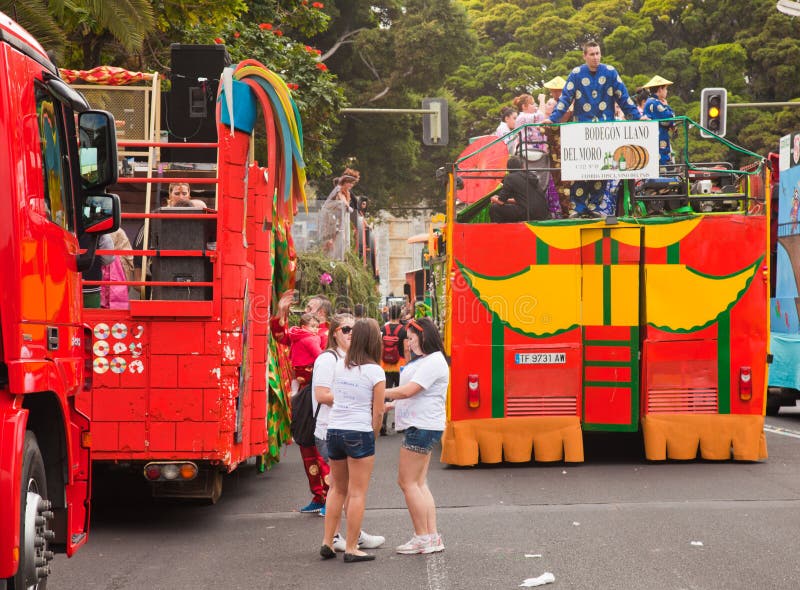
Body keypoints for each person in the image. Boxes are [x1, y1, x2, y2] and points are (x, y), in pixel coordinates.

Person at [545, 41, 642, 217]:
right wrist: (552, 119)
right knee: (581, 169)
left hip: (605, 130)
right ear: (584, 56)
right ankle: (579, 208)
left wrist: (638, 117)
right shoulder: (576, 74)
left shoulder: (611, 72)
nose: (596, 57)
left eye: (598, 53)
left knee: (603, 168)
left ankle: (595, 207)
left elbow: (623, 97)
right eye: (592, 54)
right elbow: (565, 99)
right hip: (582, 131)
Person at [312, 313, 385, 548]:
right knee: (356, 493)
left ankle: (328, 542)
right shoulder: (375, 371)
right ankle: (353, 547)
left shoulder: (340, 365)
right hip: (358, 432)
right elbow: (379, 412)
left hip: (334, 430)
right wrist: (373, 434)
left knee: (336, 489)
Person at [385, 317, 449, 555]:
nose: (408, 343)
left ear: (423, 337)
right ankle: (431, 536)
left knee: (407, 482)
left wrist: (379, 392)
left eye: (411, 338)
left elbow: (410, 390)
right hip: (423, 424)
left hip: (421, 426)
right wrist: (392, 404)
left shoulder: (432, 361)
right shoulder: (430, 360)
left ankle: (422, 537)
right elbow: (415, 394)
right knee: (419, 483)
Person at [489, 155, 549, 223]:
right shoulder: (530, 175)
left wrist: (493, 198)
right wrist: (506, 200)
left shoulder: (510, 178)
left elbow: (501, 202)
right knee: (510, 208)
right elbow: (523, 199)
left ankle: (499, 232)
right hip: (542, 213)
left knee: (494, 208)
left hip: (529, 214)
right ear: (522, 166)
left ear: (508, 168)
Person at [380, 305, 407, 434]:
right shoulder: (403, 330)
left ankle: (382, 425)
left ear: (389, 315)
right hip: (400, 365)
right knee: (400, 395)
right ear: (400, 315)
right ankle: (399, 424)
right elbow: (406, 348)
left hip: (385, 365)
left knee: (384, 394)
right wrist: (408, 364)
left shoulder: (383, 329)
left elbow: (380, 346)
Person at [642, 75, 676, 166]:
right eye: (665, 89)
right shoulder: (654, 103)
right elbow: (670, 118)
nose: (666, 91)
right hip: (658, 138)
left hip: (659, 137)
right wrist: (667, 106)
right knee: (661, 164)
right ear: (660, 89)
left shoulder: (653, 102)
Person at [288, 313, 323, 387]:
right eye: (313, 326)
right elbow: (319, 354)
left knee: (297, 386)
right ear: (303, 327)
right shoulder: (310, 339)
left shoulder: (296, 336)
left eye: (317, 326)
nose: (316, 329)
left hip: (297, 369)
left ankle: (294, 393)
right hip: (308, 369)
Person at [80, 233, 114, 308]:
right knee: (91, 316)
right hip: (91, 284)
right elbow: (108, 258)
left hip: (64, 285)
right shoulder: (99, 228)